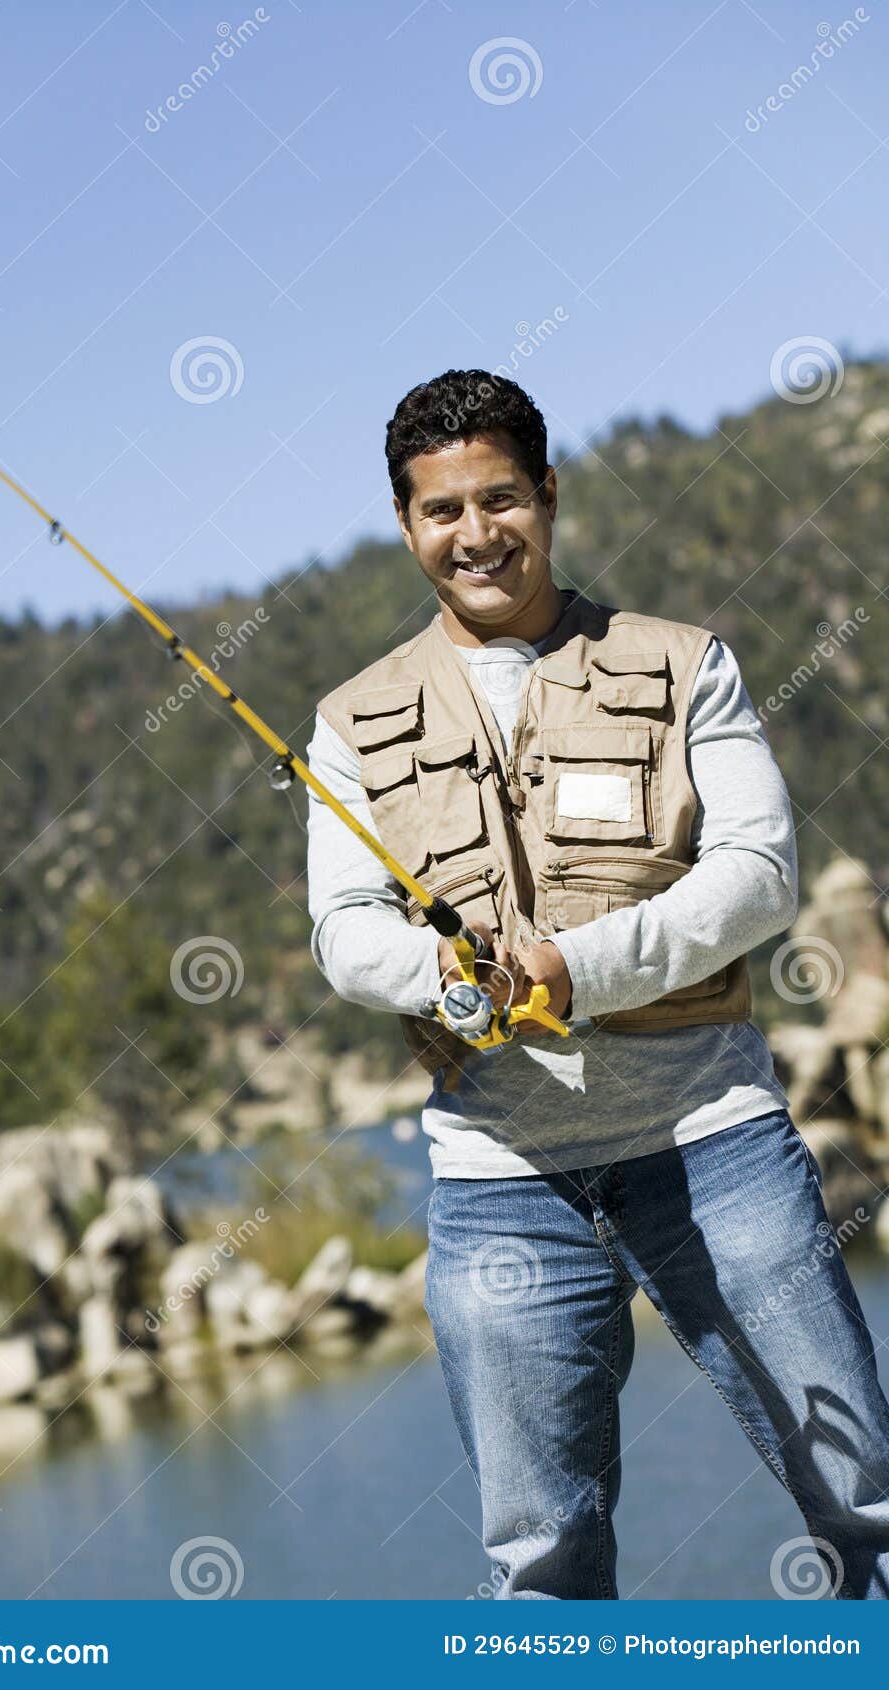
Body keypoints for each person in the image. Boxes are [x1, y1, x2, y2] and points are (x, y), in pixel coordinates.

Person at [305, 368, 889, 1600]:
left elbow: (757, 875)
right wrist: (443, 973)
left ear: (549, 496)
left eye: (500, 499)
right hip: (498, 1188)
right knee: (542, 1565)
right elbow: (344, 935)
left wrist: (577, 969)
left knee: (867, 1508)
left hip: (716, 1149)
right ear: (405, 525)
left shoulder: (685, 664)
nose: (475, 534)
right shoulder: (348, 723)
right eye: (441, 510)